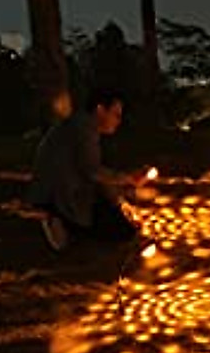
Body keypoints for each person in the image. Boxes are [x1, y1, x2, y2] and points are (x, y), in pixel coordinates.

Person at [26, 87, 138, 251]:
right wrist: (127, 179)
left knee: (114, 212)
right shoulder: (84, 130)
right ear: (100, 110)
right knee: (123, 231)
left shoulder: (80, 125)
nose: (118, 121)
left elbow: (92, 171)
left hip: (56, 190)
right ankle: (59, 221)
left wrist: (118, 198)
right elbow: (92, 171)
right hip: (60, 195)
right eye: (116, 114)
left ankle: (63, 220)